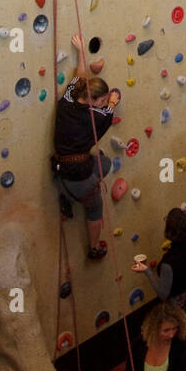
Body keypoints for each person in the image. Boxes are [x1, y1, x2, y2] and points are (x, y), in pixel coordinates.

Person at [52, 33, 121, 260]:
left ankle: (67, 195)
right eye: (100, 101)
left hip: (60, 170)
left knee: (102, 159)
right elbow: (108, 112)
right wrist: (112, 101)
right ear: (95, 101)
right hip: (78, 176)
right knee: (94, 207)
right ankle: (93, 249)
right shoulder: (96, 115)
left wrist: (81, 52)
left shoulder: (69, 99)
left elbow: (80, 76)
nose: (103, 104)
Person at [133, 209, 186, 371]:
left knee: (174, 350)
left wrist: (147, 272)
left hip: (174, 309)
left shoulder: (169, 263)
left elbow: (163, 293)